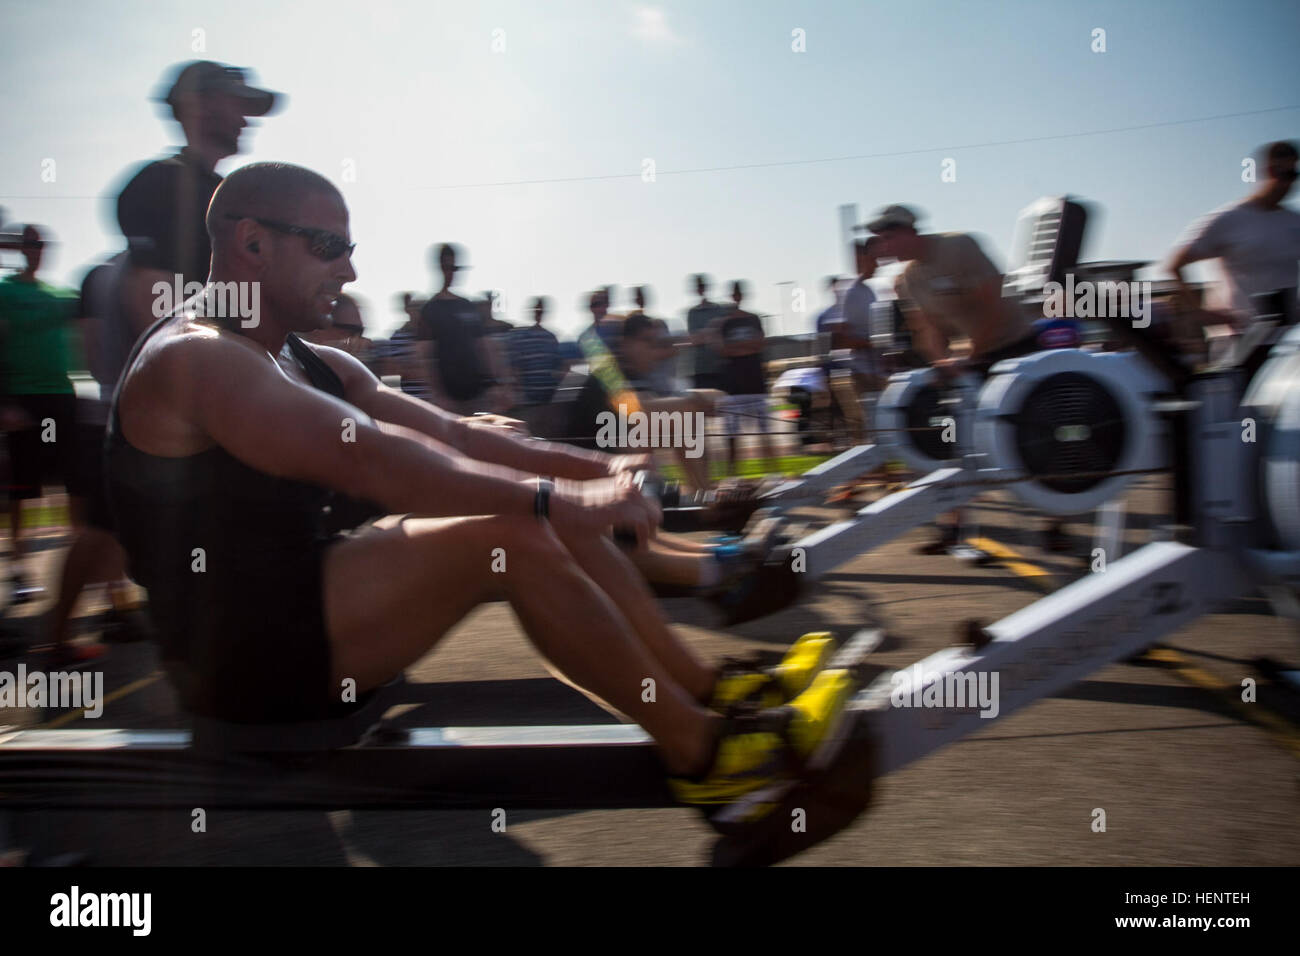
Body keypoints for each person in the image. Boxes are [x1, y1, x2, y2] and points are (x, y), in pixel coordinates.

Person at [106, 162, 853, 809]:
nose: (351, 271)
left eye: (351, 250)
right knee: (512, 532)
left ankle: (714, 691)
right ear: (251, 242)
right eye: (329, 247)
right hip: (238, 662)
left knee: (531, 509)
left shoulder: (311, 360)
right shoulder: (196, 355)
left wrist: (601, 473)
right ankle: (715, 766)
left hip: (302, 612)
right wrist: (555, 499)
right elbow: (367, 457)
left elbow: (459, 436)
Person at [868, 203, 1045, 553]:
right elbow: (925, 328)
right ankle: (954, 528)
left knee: (1039, 437)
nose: (884, 247)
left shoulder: (959, 247)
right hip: (972, 357)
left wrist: (973, 354)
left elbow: (994, 300)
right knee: (946, 435)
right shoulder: (906, 279)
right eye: (880, 240)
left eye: (890, 237)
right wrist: (941, 362)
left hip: (1016, 347)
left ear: (911, 231)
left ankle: (1055, 524)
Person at [115, 60, 283, 334]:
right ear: (198, 105)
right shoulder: (158, 184)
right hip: (207, 364)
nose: (245, 121)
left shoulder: (226, 193)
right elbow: (153, 299)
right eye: (236, 105)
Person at [1167, 139, 1300, 376]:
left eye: (1294, 174)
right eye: (1284, 173)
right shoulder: (1230, 219)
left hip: (1288, 343)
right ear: (1268, 171)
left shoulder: (1293, 222)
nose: (1288, 183)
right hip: (1241, 342)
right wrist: (1201, 312)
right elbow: (1174, 264)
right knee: (1241, 412)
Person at [0, 226, 80, 605]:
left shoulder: (60, 294)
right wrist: (5, 403)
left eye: (42, 244)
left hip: (61, 397)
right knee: (24, 492)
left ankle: (83, 570)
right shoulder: (6, 292)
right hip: (24, 400)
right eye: (30, 244)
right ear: (20, 248)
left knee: (74, 486)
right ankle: (19, 573)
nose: (37, 251)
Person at [418, 244, 503, 414]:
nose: (452, 273)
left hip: (478, 395)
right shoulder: (430, 309)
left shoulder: (468, 306)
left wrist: (495, 384)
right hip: (449, 399)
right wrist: (438, 395)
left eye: (455, 268)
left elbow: (484, 347)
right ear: (440, 268)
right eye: (448, 267)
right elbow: (425, 357)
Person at [710, 280, 775, 475]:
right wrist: (747, 346)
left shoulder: (754, 318)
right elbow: (722, 349)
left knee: (766, 435)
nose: (737, 296)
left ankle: (773, 475)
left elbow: (760, 344)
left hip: (756, 384)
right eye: (734, 293)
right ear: (731, 296)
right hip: (733, 388)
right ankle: (732, 477)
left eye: (739, 293)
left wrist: (738, 347)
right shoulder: (722, 323)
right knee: (731, 438)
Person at [507, 296, 565, 406]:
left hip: (550, 394)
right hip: (529, 394)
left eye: (541, 311)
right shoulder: (521, 337)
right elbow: (516, 366)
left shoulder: (551, 337)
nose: (539, 313)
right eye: (537, 310)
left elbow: (558, 365)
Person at [685, 274, 728, 390]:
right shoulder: (693, 312)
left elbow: (724, 335)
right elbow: (694, 339)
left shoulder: (719, 309)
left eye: (702, 286)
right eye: (699, 286)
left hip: (719, 366)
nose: (701, 289)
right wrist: (713, 331)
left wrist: (706, 334)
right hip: (701, 368)